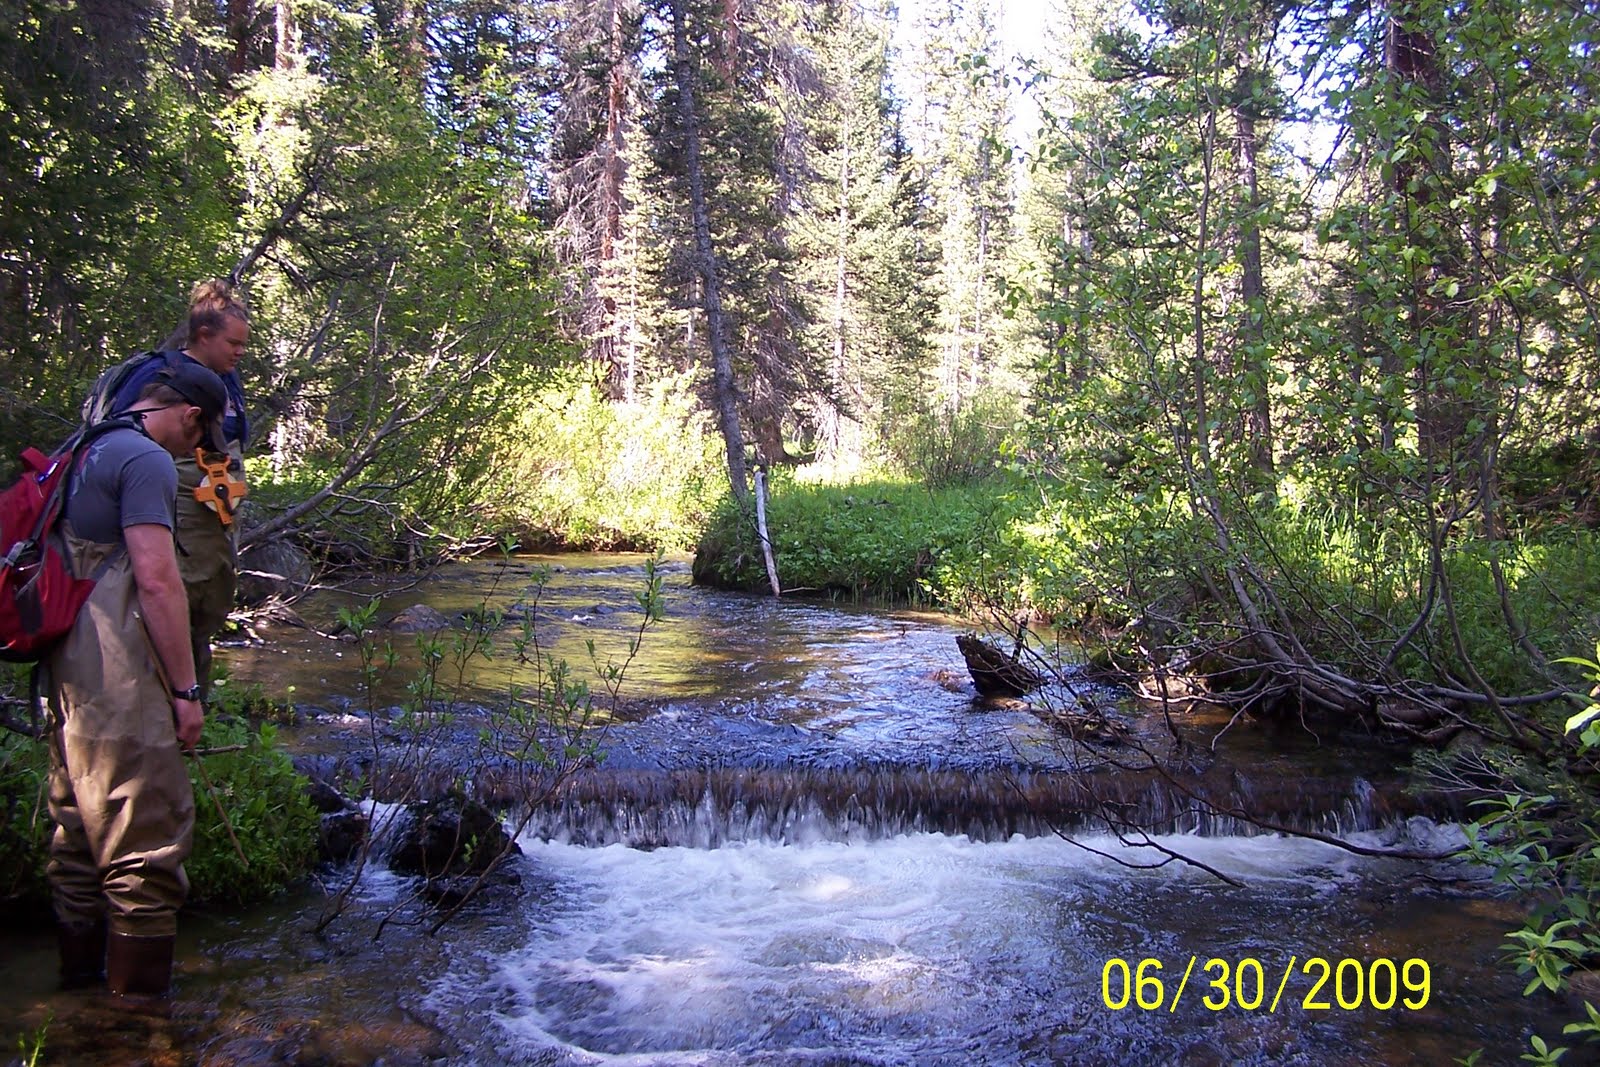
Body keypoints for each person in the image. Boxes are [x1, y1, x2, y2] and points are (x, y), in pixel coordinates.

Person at [48, 362, 231, 1001]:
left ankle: (76, 997)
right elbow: (156, 580)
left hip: (67, 668)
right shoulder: (147, 461)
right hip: (117, 665)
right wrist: (186, 692)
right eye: (201, 433)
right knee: (145, 845)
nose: (199, 449)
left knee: (75, 831)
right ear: (187, 416)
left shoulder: (83, 448)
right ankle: (134, 1024)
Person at [100, 280, 250, 699]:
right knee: (175, 595)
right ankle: (165, 698)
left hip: (217, 512)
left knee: (210, 596)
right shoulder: (160, 376)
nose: (239, 353)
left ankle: (192, 698)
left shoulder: (226, 378)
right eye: (232, 343)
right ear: (203, 336)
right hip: (179, 512)